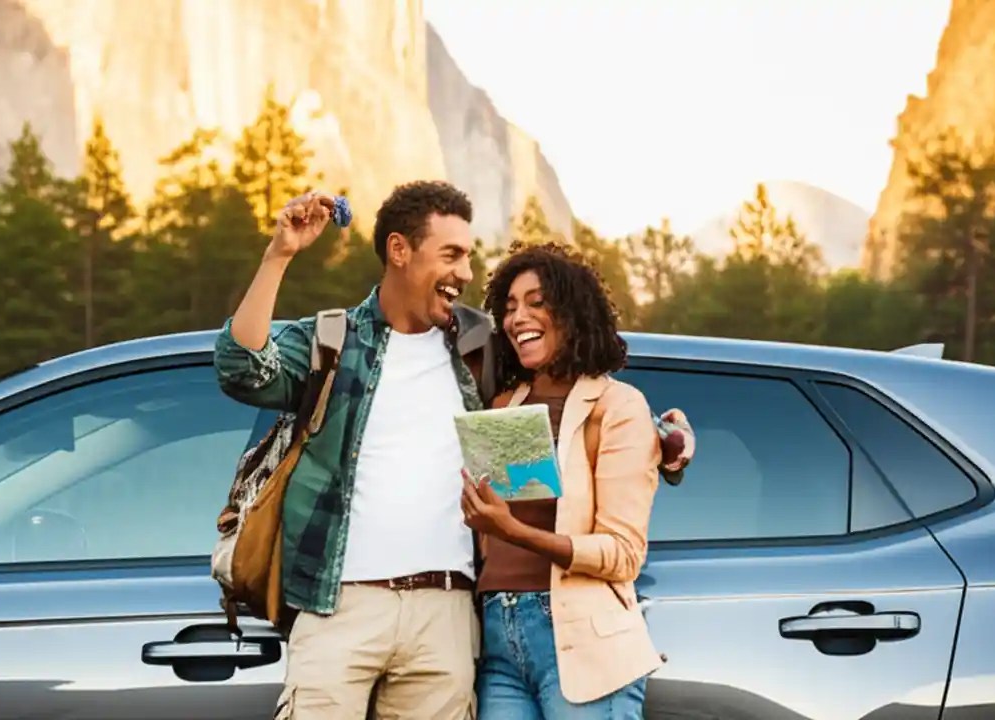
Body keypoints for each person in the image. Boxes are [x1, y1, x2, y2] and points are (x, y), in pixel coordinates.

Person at [216, 183, 688, 719]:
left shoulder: (478, 345)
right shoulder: (334, 339)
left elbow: (567, 395)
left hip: (448, 614)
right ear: (400, 251)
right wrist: (279, 254)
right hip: (340, 605)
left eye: (467, 255)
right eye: (452, 255)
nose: (466, 273)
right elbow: (242, 370)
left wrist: (664, 435)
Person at [461, 241, 665, 719]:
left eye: (536, 302)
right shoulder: (503, 408)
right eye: (509, 307)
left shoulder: (617, 407)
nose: (517, 318)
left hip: (580, 639)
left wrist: (515, 532)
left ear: (572, 313)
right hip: (498, 640)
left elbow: (622, 553)